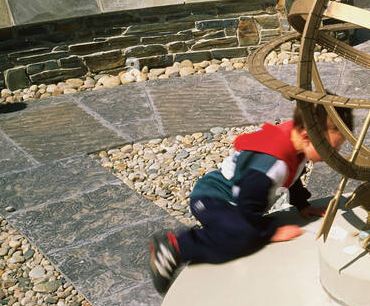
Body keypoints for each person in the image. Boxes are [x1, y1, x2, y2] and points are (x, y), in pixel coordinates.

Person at [148, 103, 351, 294]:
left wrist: (301, 205)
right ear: (307, 137)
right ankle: (175, 247)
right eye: (332, 149)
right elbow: (248, 203)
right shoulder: (272, 162)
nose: (334, 154)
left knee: (246, 227)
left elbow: (293, 176)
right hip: (212, 199)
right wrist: (268, 233)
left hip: (236, 201)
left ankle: (223, 229)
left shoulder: (295, 142)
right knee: (244, 236)